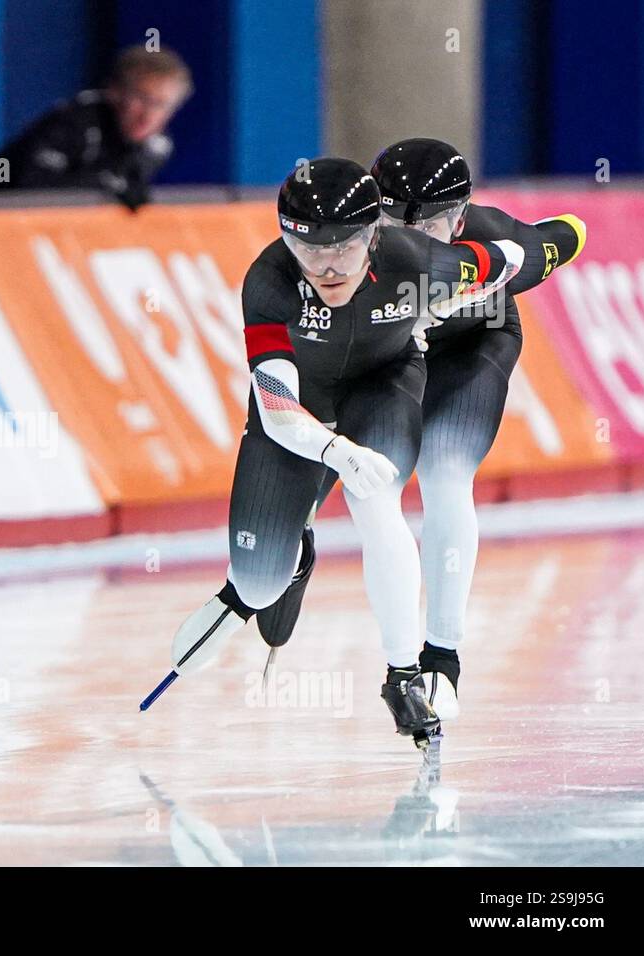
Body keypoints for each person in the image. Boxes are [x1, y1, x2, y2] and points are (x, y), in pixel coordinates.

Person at [147, 158, 523, 747]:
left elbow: (513, 258)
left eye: (343, 246)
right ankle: (285, 564)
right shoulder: (269, 281)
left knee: (376, 502)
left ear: (374, 235)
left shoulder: (415, 260)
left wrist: (456, 299)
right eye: (307, 246)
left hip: (386, 383)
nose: (326, 265)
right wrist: (334, 451)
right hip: (305, 407)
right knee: (257, 583)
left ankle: (403, 674)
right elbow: (275, 406)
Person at [368, 138, 586, 718]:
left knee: (443, 471)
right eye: (392, 221)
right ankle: (399, 660)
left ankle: (443, 654)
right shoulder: (344, 253)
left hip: (472, 345)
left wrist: (539, 248)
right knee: (372, 483)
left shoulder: (492, 237)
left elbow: (568, 232)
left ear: (461, 218)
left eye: (432, 225)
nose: (411, 237)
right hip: (392, 356)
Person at [0, 45, 192, 210]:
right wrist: (104, 185)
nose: (148, 116)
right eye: (141, 99)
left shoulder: (157, 147)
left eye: (162, 105)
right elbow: (32, 184)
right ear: (114, 92)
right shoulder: (75, 122)